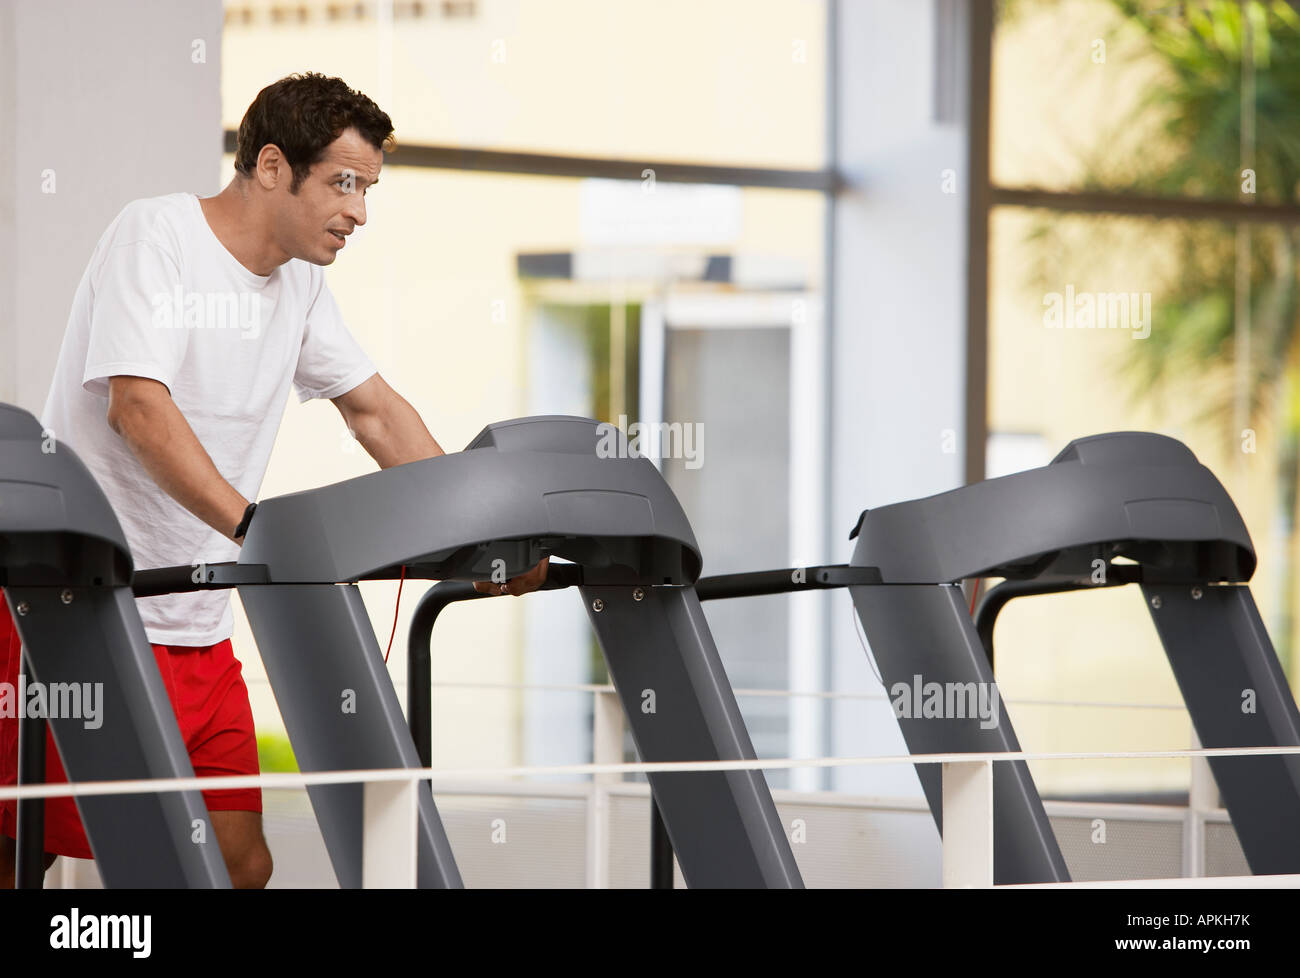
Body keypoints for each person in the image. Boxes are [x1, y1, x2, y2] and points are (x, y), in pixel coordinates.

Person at [0, 72, 547, 889]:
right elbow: (138, 407)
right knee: (21, 851)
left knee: (238, 862)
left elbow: (374, 413)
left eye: (368, 188)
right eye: (343, 183)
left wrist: (478, 537)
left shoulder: (299, 284)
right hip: (76, 611)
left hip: (197, 623)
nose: (359, 210)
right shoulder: (156, 237)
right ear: (268, 167)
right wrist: (256, 531)